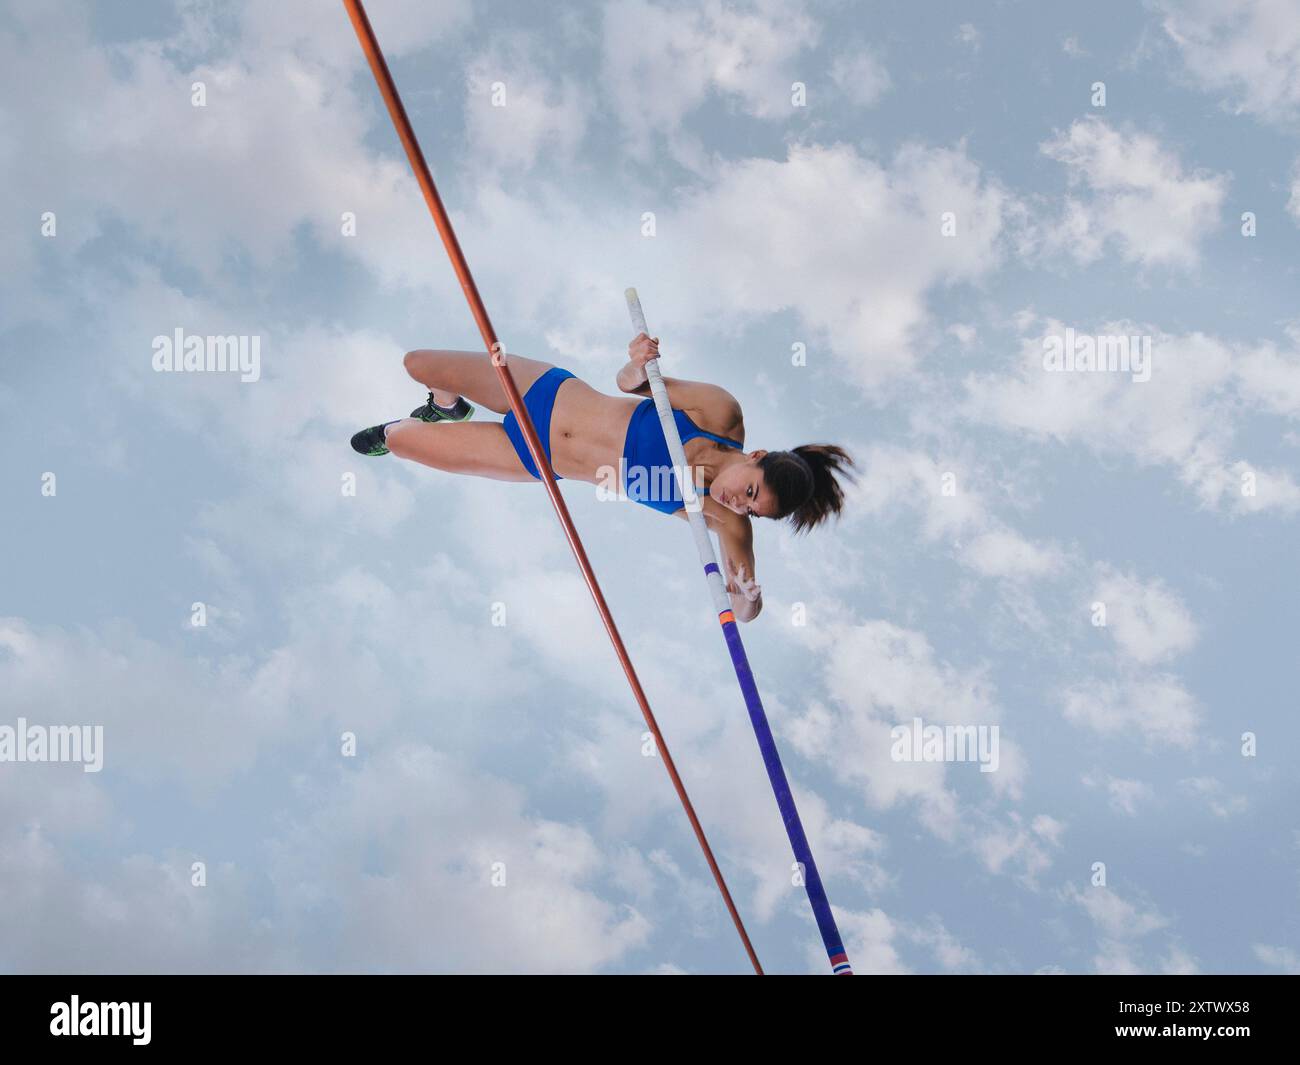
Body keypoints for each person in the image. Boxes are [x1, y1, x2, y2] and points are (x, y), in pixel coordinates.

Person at [351, 333, 854, 622]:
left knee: (398, 439)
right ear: (757, 456)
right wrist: (638, 364)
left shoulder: (724, 520)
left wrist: (748, 596)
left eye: (751, 509)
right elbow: (629, 384)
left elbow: (743, 612)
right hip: (544, 390)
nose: (739, 503)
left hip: (534, 457)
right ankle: (447, 406)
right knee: (417, 364)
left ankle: (415, 425)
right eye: (750, 491)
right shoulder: (720, 412)